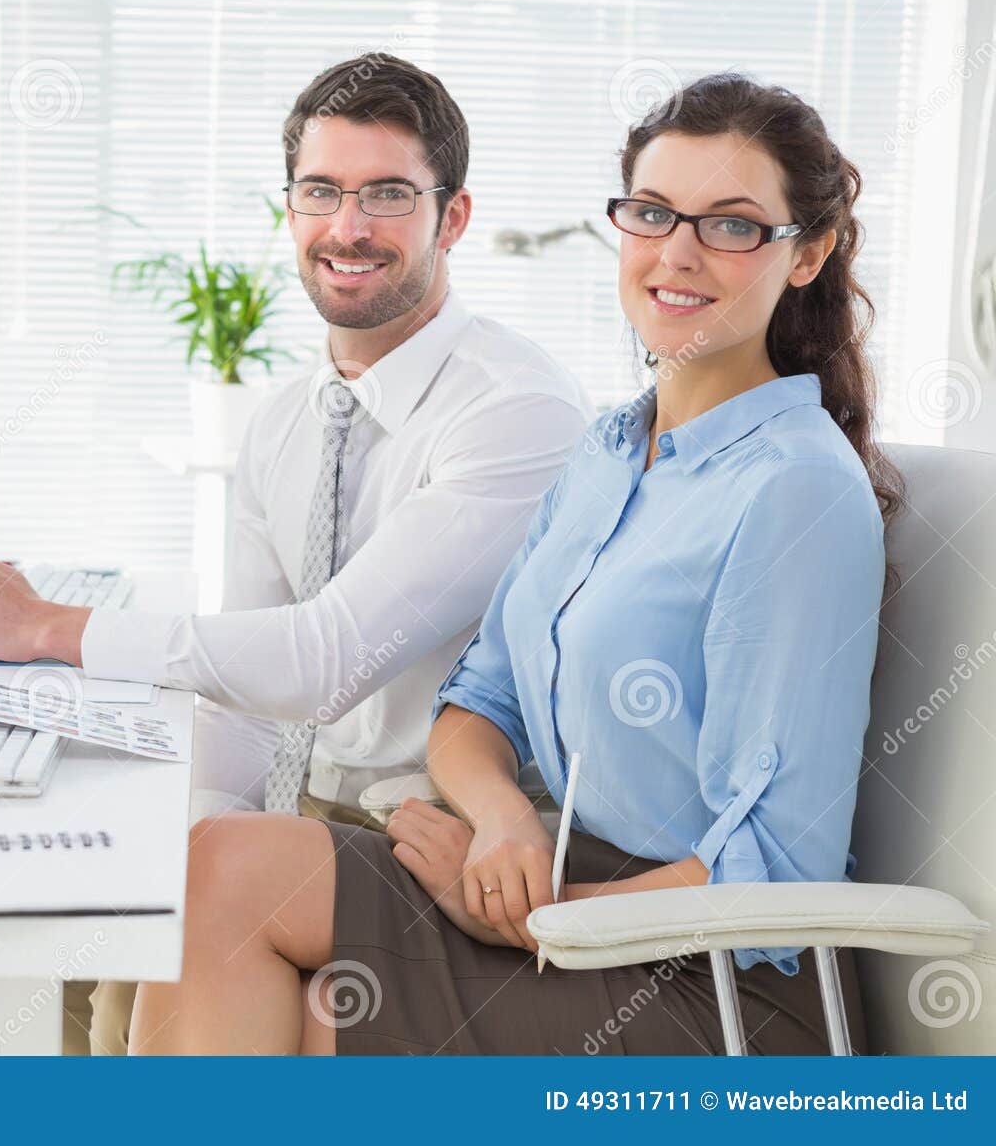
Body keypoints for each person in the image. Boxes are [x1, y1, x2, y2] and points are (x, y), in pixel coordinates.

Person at [129, 72, 900, 1056]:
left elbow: (776, 872)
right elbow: (477, 699)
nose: (677, 252)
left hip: (709, 976)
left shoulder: (794, 488)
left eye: (732, 225)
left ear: (808, 253)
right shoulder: (610, 448)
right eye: (653, 212)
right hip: (554, 884)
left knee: (317, 1010)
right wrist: (501, 824)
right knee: (215, 864)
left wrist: (542, 916)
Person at [0, 54, 590, 1054]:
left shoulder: (514, 410)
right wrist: (193, 841)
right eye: (320, 191)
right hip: (309, 819)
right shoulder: (286, 421)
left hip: (440, 838)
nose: (348, 227)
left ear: (451, 218)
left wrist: (47, 627)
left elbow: (325, 658)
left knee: (129, 984)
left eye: (387, 195)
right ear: (290, 208)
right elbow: (244, 702)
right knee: (69, 937)